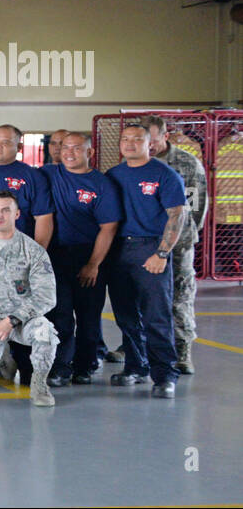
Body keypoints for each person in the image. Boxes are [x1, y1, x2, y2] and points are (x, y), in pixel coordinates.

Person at [105, 123, 187, 399]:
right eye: (125, 139)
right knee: (126, 315)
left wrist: (161, 254)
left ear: (150, 143)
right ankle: (135, 367)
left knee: (156, 316)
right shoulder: (113, 175)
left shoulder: (165, 175)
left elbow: (177, 215)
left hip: (150, 248)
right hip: (118, 250)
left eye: (137, 139)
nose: (129, 143)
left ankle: (164, 375)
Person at [0, 191, 59, 406]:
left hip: (20, 321)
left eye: (6, 210)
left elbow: (47, 296)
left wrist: (11, 320)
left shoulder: (33, 250)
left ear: (17, 214)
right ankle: (5, 355)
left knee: (46, 332)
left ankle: (40, 384)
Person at [40, 133, 120, 386]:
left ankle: (85, 365)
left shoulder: (101, 184)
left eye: (77, 148)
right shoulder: (47, 174)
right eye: (65, 147)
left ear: (90, 153)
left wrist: (93, 264)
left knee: (88, 317)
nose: (70, 152)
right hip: (56, 256)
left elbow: (109, 227)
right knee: (60, 315)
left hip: (89, 254)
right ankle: (61, 366)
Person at [147, 114, 209, 375]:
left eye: (152, 138)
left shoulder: (185, 163)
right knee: (145, 297)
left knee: (180, 296)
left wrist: (182, 237)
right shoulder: (137, 162)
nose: (148, 144)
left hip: (179, 245)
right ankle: (138, 347)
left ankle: (182, 351)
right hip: (147, 242)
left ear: (165, 136)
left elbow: (197, 208)